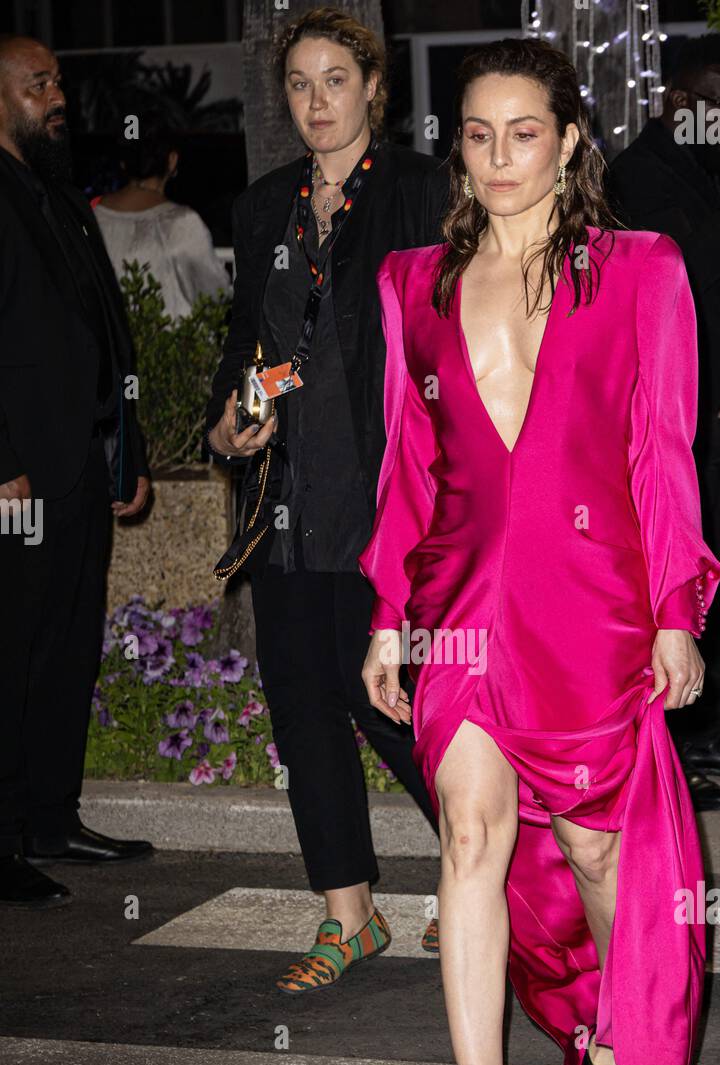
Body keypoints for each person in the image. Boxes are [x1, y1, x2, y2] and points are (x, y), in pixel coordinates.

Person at [359, 37, 720, 1065]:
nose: (501, 156)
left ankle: (609, 1018)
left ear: (569, 137)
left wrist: (676, 607)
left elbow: (660, 449)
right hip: (457, 600)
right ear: (453, 144)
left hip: (590, 603)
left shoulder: (639, 270)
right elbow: (406, 469)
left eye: (524, 131)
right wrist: (381, 614)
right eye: (476, 133)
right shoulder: (410, 281)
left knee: (589, 847)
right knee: (468, 836)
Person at [204, 7, 449, 986]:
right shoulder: (264, 207)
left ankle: (486, 872)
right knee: (303, 706)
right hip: (284, 488)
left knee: (393, 703)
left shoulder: (419, 194)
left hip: (385, 490)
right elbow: (245, 348)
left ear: (372, 87)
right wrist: (229, 424)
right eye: (299, 84)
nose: (316, 101)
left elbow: (453, 346)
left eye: (334, 80)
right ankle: (346, 913)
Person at [607, 33, 720, 813]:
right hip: (661, 422)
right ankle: (663, 752)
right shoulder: (633, 176)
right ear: (676, 103)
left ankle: (706, 728)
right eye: (719, 107)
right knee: (671, 592)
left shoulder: (718, 170)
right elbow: (686, 263)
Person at [0, 35, 153, 910]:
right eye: (37, 84)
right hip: (16, 478)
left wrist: (122, 447)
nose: (57, 94)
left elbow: (105, 330)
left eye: (58, 80)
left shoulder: (59, 192)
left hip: (79, 467)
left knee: (66, 643)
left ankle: (53, 817)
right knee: (11, 648)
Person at [94, 124, 230, 320]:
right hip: (173, 346)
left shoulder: (94, 217)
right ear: (172, 160)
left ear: (123, 162)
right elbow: (214, 292)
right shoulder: (181, 223)